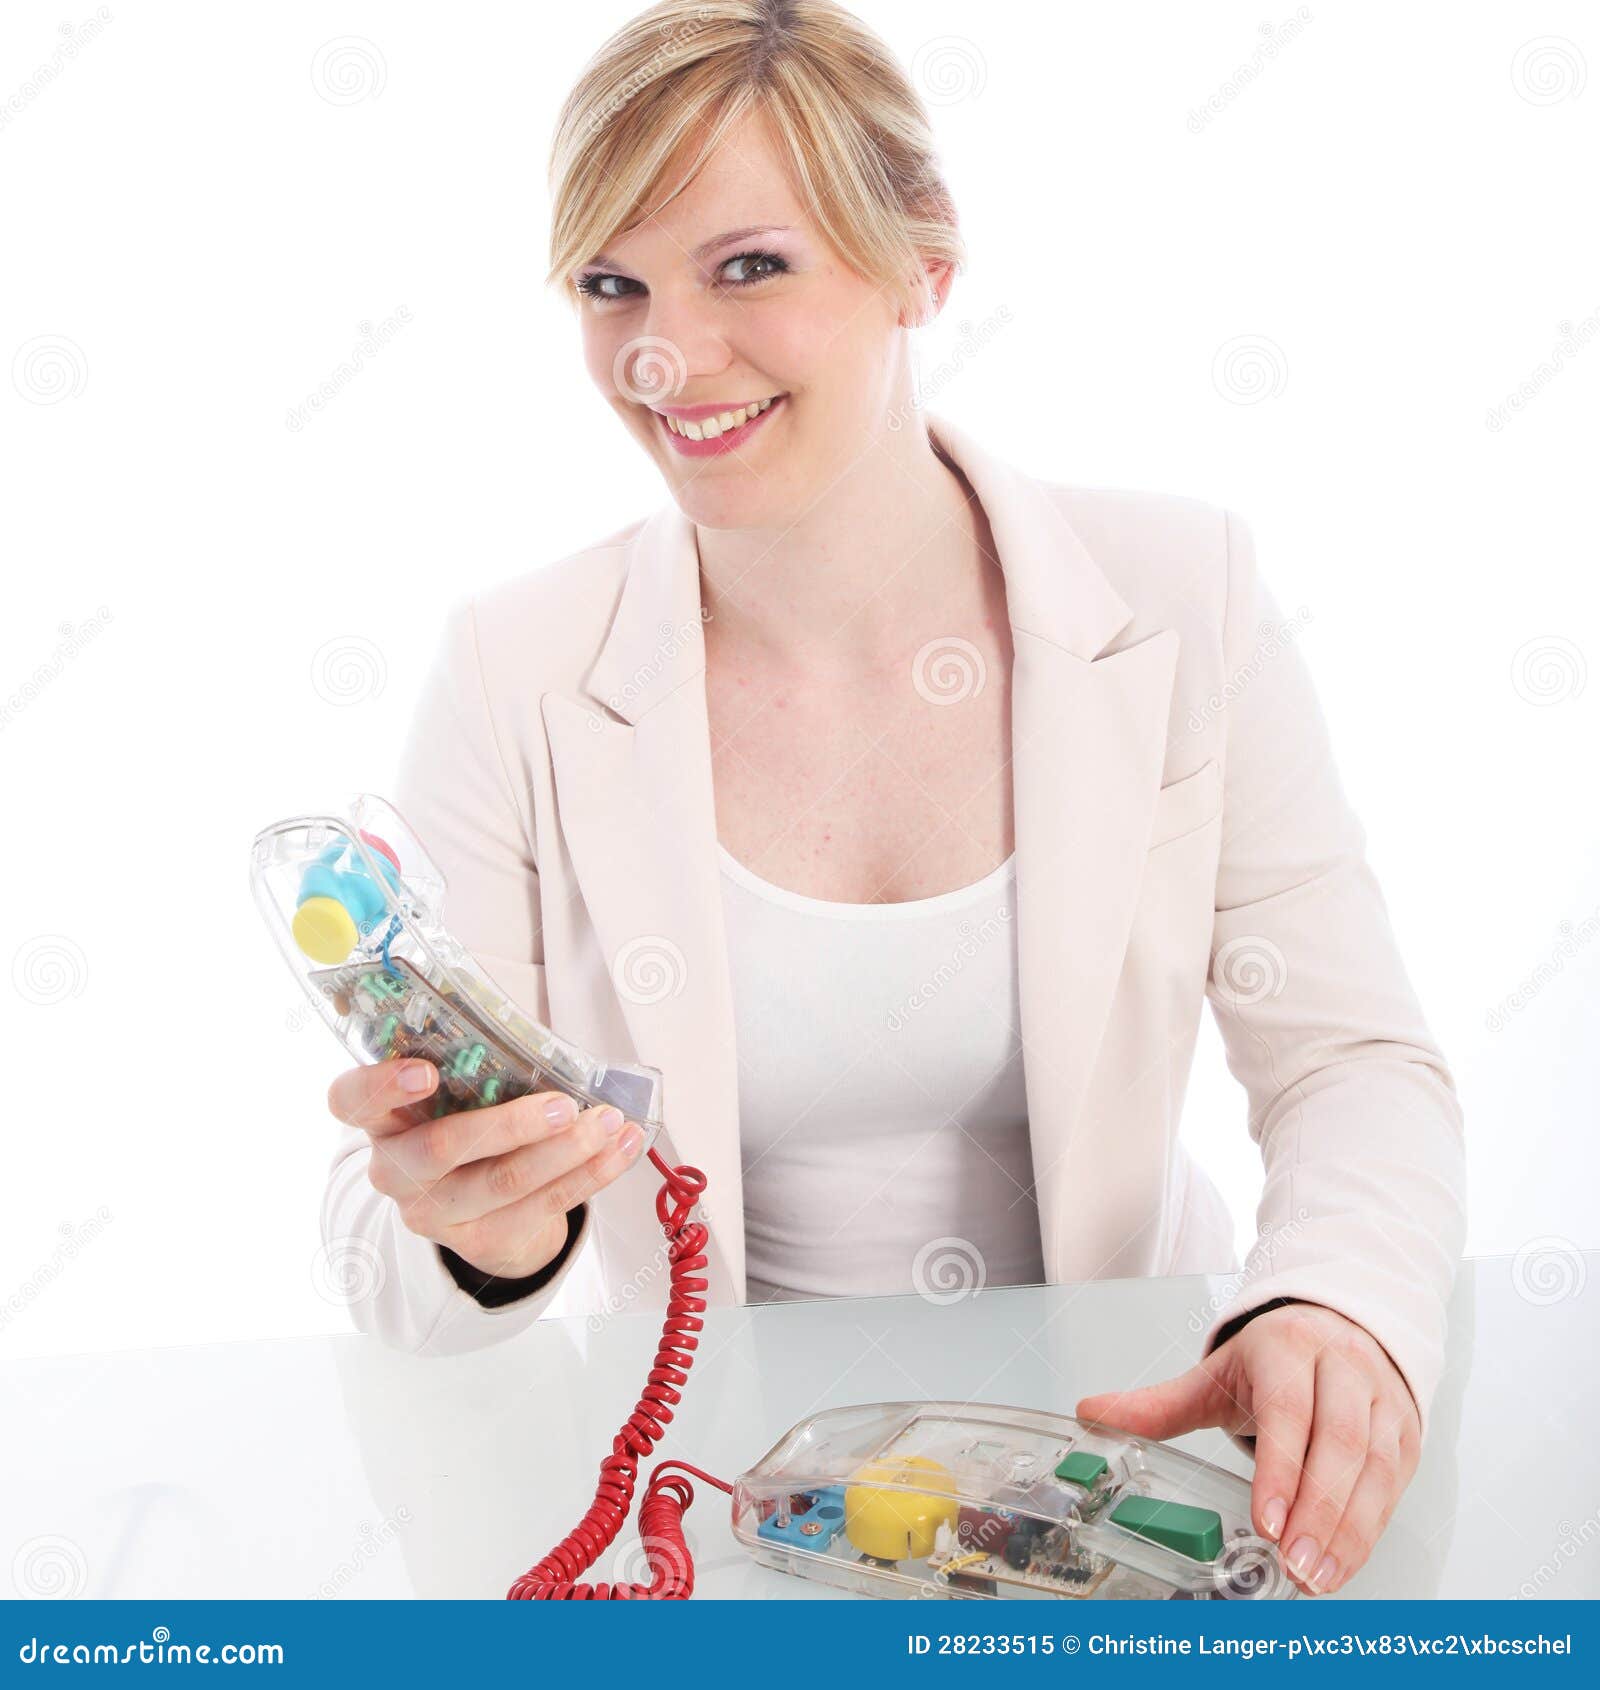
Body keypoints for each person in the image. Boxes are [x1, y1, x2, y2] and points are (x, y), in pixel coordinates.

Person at [321, 0, 1465, 1598]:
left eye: (748, 265)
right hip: (736, 1497)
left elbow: (1353, 1058)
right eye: (611, 285)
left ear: (924, 256)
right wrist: (486, 1235)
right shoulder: (514, 669)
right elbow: (390, 1267)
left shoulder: (1177, 592)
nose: (664, 352)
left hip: (1124, 1453)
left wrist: (1334, 1300)